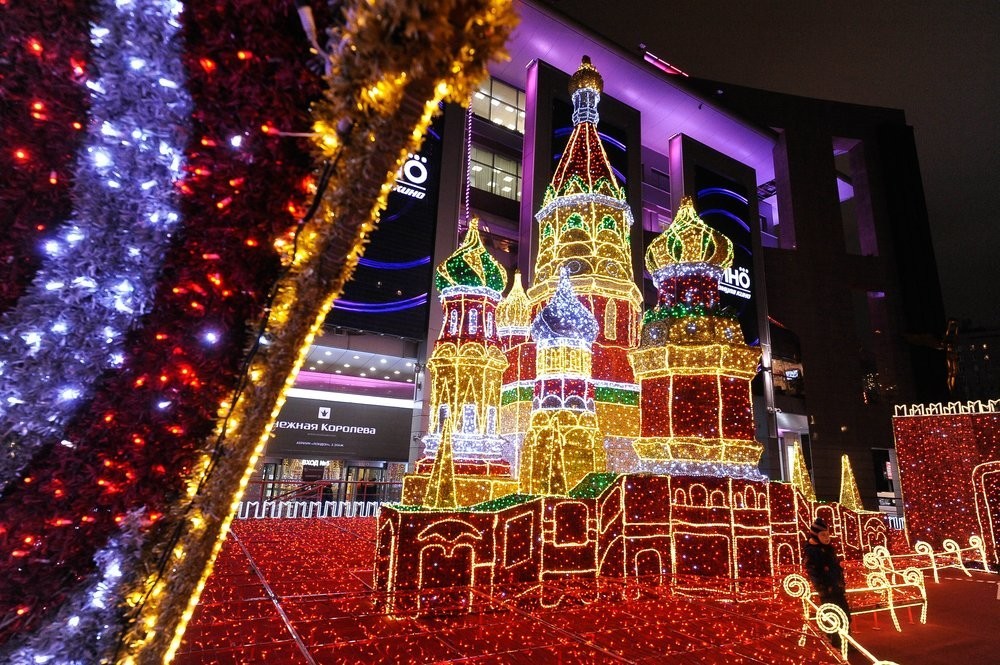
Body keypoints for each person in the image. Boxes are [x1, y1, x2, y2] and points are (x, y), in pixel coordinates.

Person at [803, 517, 852, 647]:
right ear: (816, 535)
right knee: (833, 615)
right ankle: (836, 642)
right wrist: (822, 588)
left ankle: (846, 640)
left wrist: (840, 576)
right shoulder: (812, 551)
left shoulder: (829, 548)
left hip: (837, 587)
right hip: (827, 590)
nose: (826, 537)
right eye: (823, 534)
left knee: (845, 614)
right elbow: (813, 572)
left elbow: (834, 566)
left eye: (827, 534)